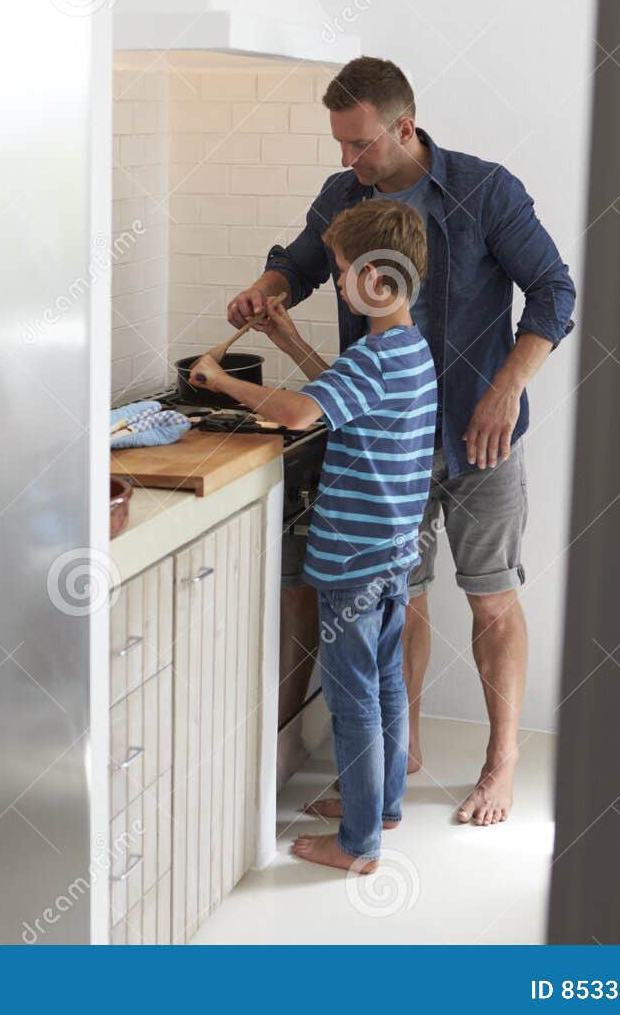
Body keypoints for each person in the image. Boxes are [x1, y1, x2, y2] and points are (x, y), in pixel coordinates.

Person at [227, 56, 576, 826]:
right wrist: (268, 289)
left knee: (492, 602)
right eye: (339, 145)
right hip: (389, 450)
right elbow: (300, 262)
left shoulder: (485, 190)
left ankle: (501, 763)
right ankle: (397, 753)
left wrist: (507, 384)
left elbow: (555, 290)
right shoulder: (346, 194)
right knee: (401, 601)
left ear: (404, 126)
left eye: (359, 144)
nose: (346, 161)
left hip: (481, 438)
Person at [190, 200, 436, 872]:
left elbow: (301, 412)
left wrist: (221, 384)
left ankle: (360, 844)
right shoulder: (403, 349)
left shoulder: (376, 358)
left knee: (353, 696)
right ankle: (379, 806)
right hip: (389, 556)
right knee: (382, 684)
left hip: (352, 564)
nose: (336, 278)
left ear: (379, 283)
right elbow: (340, 389)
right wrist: (287, 339)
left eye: (342, 270)